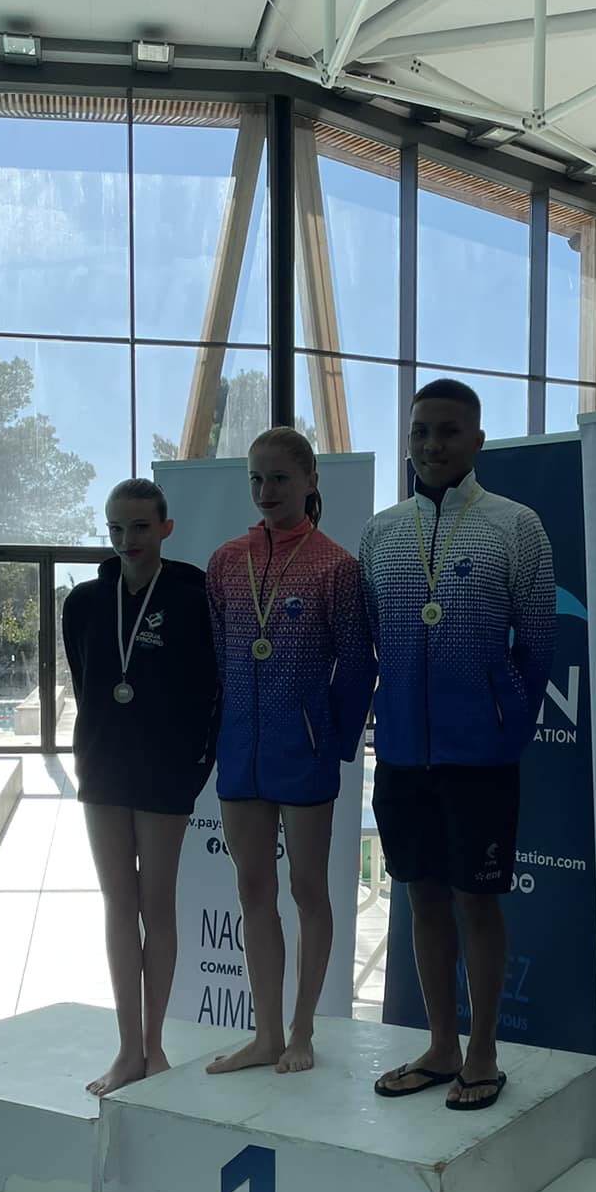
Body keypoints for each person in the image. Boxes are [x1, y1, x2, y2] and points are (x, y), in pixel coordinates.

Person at [360, 379, 555, 1110]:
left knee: (478, 904)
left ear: (476, 440)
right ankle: (440, 1047)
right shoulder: (381, 533)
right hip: (406, 754)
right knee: (422, 901)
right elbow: (374, 637)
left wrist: (504, 722)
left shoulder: (515, 526)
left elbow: (537, 645)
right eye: (420, 433)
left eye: (447, 432)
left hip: (481, 757)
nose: (432, 446)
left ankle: (483, 1053)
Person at [202, 429, 375, 1075]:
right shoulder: (226, 561)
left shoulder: (336, 567)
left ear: (310, 482)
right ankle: (266, 1033)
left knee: (308, 890)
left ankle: (303, 1030)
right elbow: (221, 658)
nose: (266, 491)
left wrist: (327, 740)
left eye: (278, 478)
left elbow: (358, 666)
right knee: (252, 888)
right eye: (256, 479)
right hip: (241, 751)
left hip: (304, 752)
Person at [61, 477, 220, 1098]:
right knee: (117, 905)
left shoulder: (192, 598)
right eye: (117, 529)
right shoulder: (83, 604)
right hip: (103, 769)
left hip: (165, 771)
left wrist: (195, 763)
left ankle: (155, 1045)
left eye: (141, 527)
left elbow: (210, 687)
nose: (129, 540)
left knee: (158, 904)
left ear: (165, 528)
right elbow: (88, 683)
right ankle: (127, 1047)